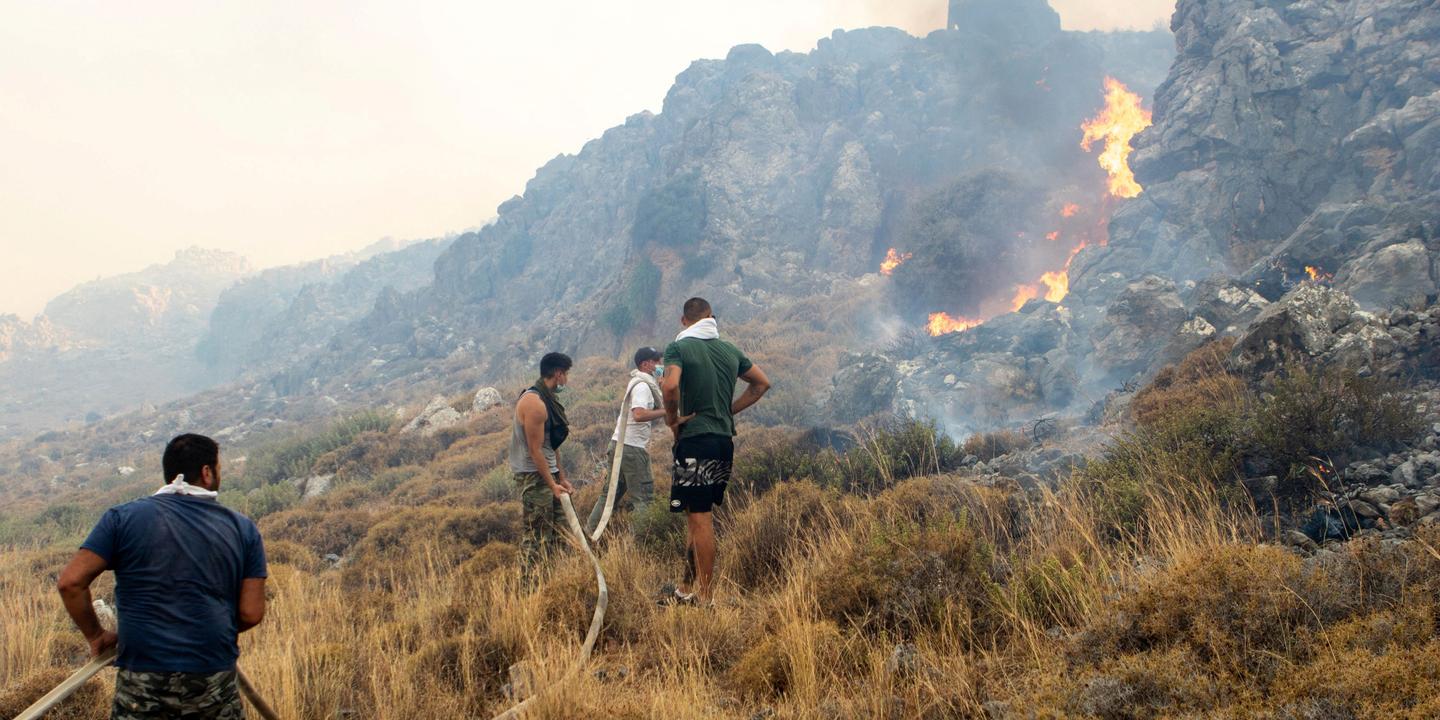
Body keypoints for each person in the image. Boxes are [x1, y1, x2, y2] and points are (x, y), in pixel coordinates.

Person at [57, 434, 267, 720]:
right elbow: (251, 613)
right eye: (219, 468)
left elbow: (71, 582)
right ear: (206, 472)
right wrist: (203, 631)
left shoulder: (122, 518)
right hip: (211, 672)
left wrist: (96, 635)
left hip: (142, 675)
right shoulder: (242, 529)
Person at [660, 298, 770, 606]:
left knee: (701, 518)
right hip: (723, 442)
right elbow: (761, 383)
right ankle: (684, 588)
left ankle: (705, 597)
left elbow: (670, 387)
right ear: (712, 317)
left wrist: (672, 420)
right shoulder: (730, 350)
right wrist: (727, 411)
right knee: (695, 516)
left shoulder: (678, 348)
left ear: (684, 321)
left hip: (695, 440)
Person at [508, 352, 576, 580]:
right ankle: (526, 589)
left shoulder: (548, 400)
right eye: (565, 374)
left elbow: (550, 444)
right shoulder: (534, 403)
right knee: (536, 535)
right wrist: (551, 484)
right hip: (534, 477)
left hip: (549, 475)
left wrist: (561, 478)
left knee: (559, 532)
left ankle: (553, 581)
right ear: (558, 374)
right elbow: (534, 450)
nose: (566, 379)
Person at [586, 346, 667, 535]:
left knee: (609, 496)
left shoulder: (640, 383)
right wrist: (667, 411)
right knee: (643, 499)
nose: (660, 365)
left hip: (619, 445)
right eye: (656, 361)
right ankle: (639, 545)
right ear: (645, 364)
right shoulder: (643, 386)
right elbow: (638, 414)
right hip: (631, 449)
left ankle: (589, 535)